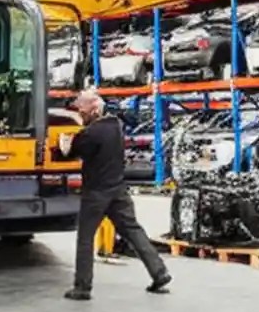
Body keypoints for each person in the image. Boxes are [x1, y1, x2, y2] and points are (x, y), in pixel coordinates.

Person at [54, 90, 172, 300]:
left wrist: (64, 145)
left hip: (96, 193)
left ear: (94, 109)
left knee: (85, 238)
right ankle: (159, 273)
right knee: (133, 230)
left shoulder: (90, 134)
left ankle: (82, 287)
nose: (80, 114)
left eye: (82, 110)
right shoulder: (116, 126)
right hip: (118, 189)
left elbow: (71, 152)